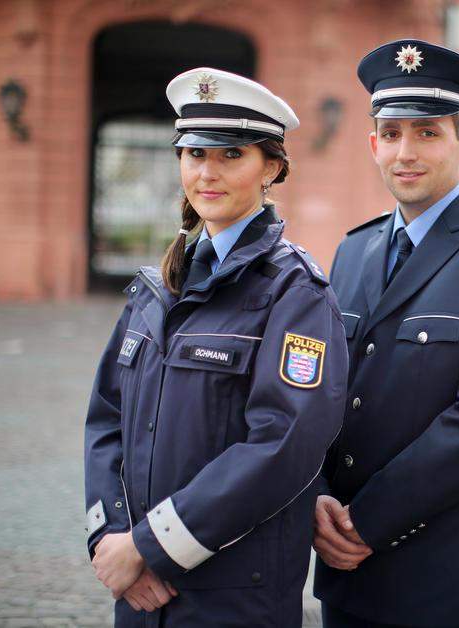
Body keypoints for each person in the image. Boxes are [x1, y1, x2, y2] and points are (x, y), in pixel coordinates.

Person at [83, 67, 348, 627]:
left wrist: (149, 547)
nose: (208, 172)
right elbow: (107, 419)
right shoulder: (157, 286)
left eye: (232, 155)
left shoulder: (294, 291)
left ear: (272, 167)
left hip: (230, 595)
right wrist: (112, 540)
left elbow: (284, 444)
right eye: (195, 153)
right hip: (138, 591)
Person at [312, 40, 459, 628]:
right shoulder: (354, 250)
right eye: (391, 133)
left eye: (427, 133)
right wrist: (317, 497)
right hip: (347, 571)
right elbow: (323, 389)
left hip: (446, 575)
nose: (405, 152)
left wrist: (370, 521)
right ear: (373, 143)